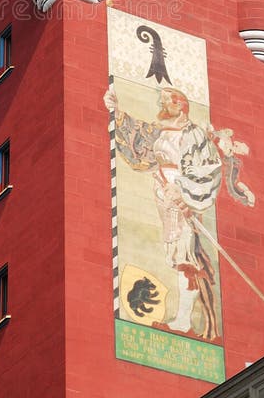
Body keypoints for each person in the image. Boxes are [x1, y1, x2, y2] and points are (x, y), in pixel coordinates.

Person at [105, 85, 253, 340]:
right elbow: (141, 138)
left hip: (182, 198)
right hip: (163, 195)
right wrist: (117, 113)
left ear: (180, 106)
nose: (161, 107)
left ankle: (185, 320)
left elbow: (209, 169)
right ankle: (183, 318)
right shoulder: (162, 130)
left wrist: (183, 190)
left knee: (185, 256)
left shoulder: (194, 135)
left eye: (166, 103)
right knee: (174, 254)